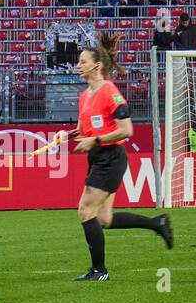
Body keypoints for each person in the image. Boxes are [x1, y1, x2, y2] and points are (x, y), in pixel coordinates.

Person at [55, 33, 173, 282]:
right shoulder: (85, 95)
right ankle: (157, 223)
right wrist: (69, 135)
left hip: (111, 157)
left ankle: (99, 271)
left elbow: (126, 130)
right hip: (98, 157)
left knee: (85, 211)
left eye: (82, 61)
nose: (78, 65)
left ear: (96, 66)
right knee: (104, 219)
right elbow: (85, 130)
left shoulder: (110, 92)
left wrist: (95, 140)